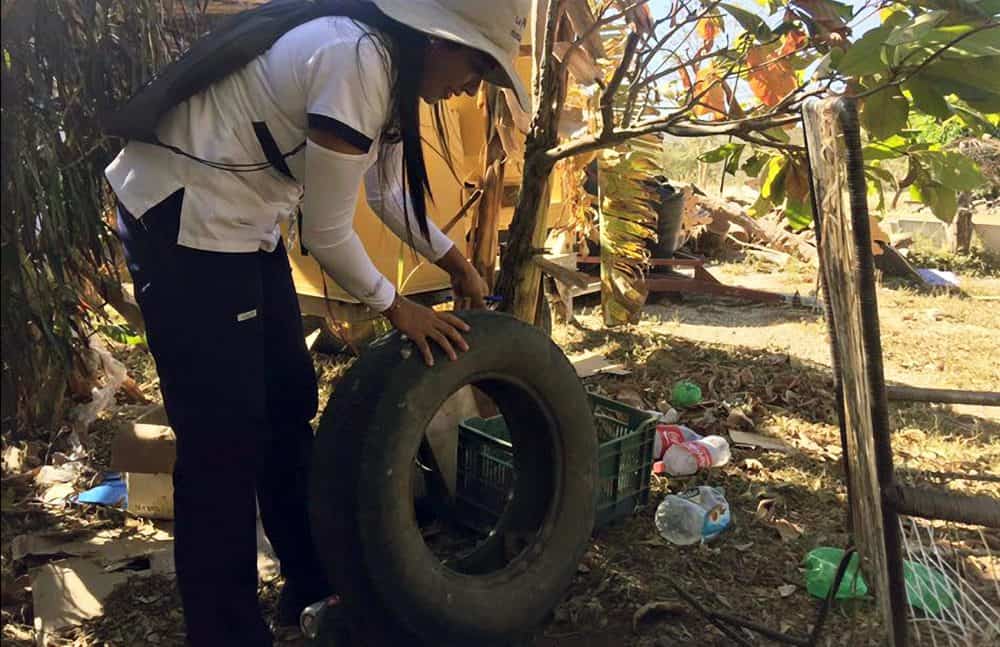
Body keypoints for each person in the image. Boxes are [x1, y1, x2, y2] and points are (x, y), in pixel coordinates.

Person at [105, 1, 530, 644]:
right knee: (223, 440)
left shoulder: (386, 70)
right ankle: (226, 633)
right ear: (437, 40)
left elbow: (387, 192)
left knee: (286, 404)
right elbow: (328, 234)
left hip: (248, 224)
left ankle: (310, 587)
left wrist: (457, 262)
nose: (473, 87)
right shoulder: (354, 58)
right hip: (184, 219)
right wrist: (397, 306)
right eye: (477, 65)